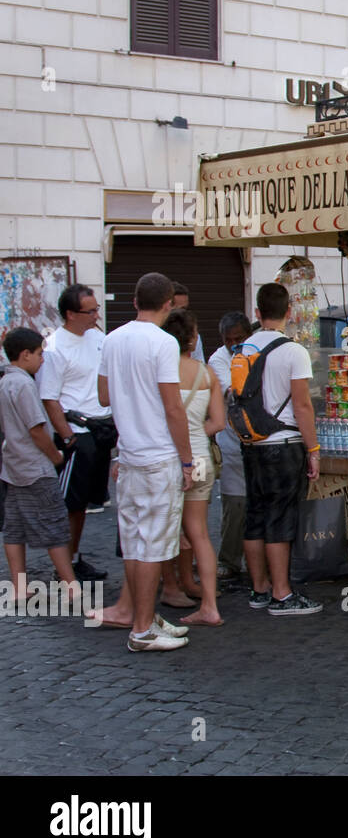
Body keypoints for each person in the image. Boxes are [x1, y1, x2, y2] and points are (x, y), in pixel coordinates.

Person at [96, 272, 193, 651]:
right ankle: (141, 629)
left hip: (129, 454)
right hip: (157, 454)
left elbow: (104, 396)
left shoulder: (112, 338)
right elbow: (173, 407)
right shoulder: (164, 342)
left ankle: (144, 618)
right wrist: (187, 460)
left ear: (135, 302)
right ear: (168, 304)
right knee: (152, 546)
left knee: (135, 542)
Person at [240, 283, 322, 615]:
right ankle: (282, 594)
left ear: (257, 312)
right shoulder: (293, 351)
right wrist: (313, 449)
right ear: (289, 311)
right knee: (280, 518)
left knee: (255, 515)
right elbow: (302, 405)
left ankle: (259, 589)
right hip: (284, 443)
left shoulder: (244, 348)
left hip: (252, 443)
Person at [36, 284, 111, 581]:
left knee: (87, 503)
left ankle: (74, 558)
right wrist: (68, 437)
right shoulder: (55, 347)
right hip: (78, 431)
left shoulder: (99, 338)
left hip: (103, 428)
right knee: (70, 504)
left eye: (96, 309)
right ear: (70, 314)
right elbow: (49, 397)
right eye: (90, 311)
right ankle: (63, 569)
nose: (96, 316)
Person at [1, 328, 80, 604]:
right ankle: (71, 586)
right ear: (25, 355)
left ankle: (19, 586)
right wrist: (55, 455)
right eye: (38, 354)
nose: (42, 359)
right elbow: (36, 429)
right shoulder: (23, 385)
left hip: (13, 466)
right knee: (54, 526)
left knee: (14, 528)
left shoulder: (5, 381)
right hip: (35, 467)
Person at [160, 309, 225, 626]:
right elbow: (219, 422)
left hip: (170, 459)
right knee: (199, 533)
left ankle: (169, 587)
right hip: (200, 459)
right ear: (192, 339)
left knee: (163, 528)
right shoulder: (207, 373)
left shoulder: (161, 372)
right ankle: (210, 605)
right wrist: (197, 433)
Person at [208, 311, 252, 582]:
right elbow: (233, 392)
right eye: (229, 340)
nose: (234, 344)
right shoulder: (217, 360)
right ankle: (229, 560)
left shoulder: (255, 351)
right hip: (232, 441)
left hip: (258, 440)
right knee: (235, 505)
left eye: (239, 338)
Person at [170, 283, 205, 361]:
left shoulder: (193, 336)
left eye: (184, 309)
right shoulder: (154, 335)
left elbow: (199, 364)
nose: (183, 313)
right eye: (179, 309)